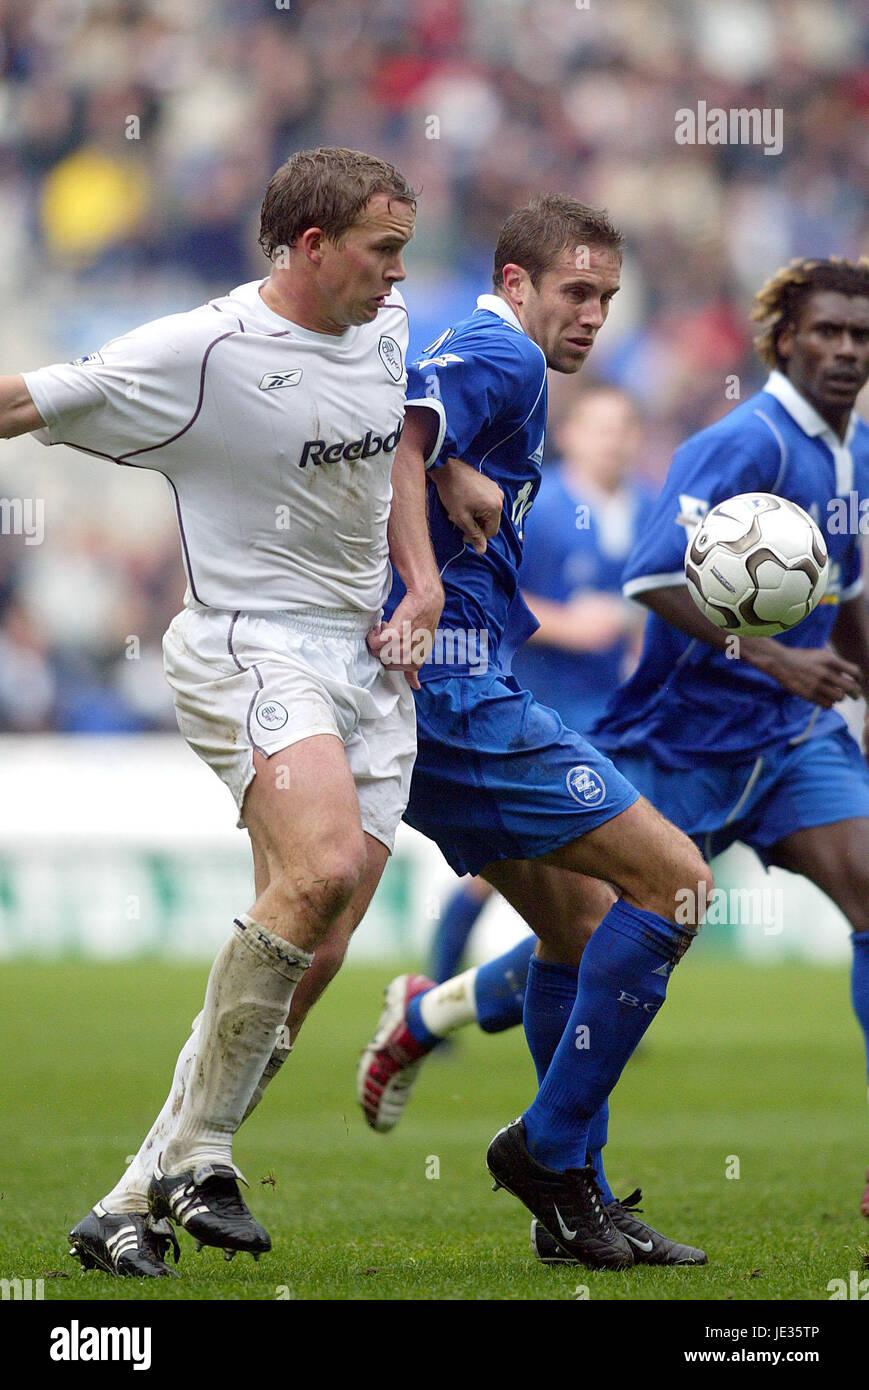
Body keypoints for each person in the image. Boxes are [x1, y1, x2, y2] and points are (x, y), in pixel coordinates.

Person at [359, 255, 869, 1242]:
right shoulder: (742, 442)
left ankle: (543, 1153)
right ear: (782, 340)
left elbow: (843, 602)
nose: (844, 349)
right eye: (825, 332)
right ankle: (442, 1029)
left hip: (791, 739)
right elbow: (650, 581)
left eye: (859, 334)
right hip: (677, 737)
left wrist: (819, 676)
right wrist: (769, 657)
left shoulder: (857, 458)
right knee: (590, 930)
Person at [0, 147, 443, 1276]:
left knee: (319, 942)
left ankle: (131, 1200)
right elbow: (27, 398)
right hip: (250, 643)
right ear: (309, 248)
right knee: (320, 866)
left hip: (366, 662)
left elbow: (392, 442)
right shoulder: (199, 350)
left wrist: (422, 575)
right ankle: (204, 1151)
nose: (399, 276)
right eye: (381, 252)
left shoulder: (381, 326)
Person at [347, 193, 713, 1270]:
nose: (594, 315)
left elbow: (388, 419)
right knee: (676, 884)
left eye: (605, 295)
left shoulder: (480, 353)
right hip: (457, 696)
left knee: (581, 921)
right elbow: (397, 438)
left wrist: (441, 466)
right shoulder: (500, 357)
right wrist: (420, 582)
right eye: (575, 292)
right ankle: (548, 1152)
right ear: (515, 284)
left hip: (454, 691)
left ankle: (574, 1204)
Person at [428, 387, 652, 984]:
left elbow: (659, 597)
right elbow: (493, 588)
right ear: (572, 435)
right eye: (599, 428)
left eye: (623, 428)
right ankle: (435, 987)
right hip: (540, 699)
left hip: (617, 711)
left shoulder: (652, 508)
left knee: (605, 871)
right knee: (498, 866)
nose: (612, 441)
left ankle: (598, 999)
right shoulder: (539, 505)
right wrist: (569, 624)